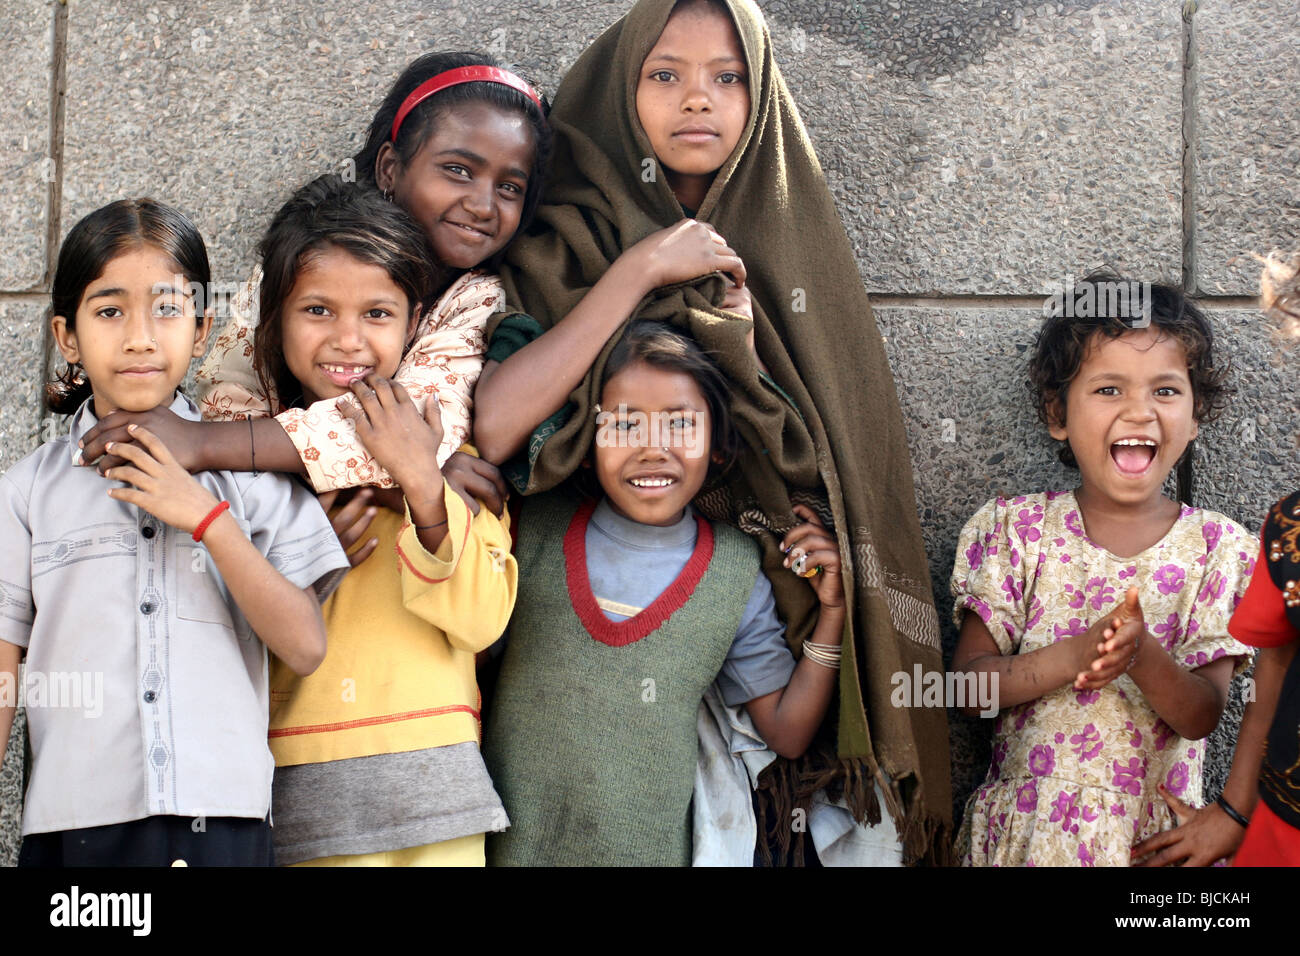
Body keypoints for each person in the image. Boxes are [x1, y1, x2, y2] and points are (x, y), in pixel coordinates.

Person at [474, 0, 948, 862]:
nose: (698, 99)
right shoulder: (564, 234)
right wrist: (645, 269)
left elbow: (831, 443)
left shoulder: (792, 241)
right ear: (622, 88)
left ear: (759, 95)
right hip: (578, 590)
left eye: (727, 77)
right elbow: (500, 425)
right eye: (666, 75)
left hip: (740, 610)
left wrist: (740, 345)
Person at [0, 199, 348, 866]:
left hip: (224, 823)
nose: (139, 337)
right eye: (109, 311)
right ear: (66, 336)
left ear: (201, 325)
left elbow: (304, 647)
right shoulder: (26, 496)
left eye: (166, 308)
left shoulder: (253, 482)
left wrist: (206, 519)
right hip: (76, 828)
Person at [76, 51, 551, 521]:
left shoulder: (476, 301)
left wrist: (202, 444)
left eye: (509, 187)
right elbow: (228, 401)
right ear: (389, 168)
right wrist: (391, 487)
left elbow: (421, 433)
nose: (484, 204)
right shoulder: (306, 255)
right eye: (459, 170)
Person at [212, 175, 516, 866]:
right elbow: (214, 639)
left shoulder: (451, 462)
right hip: (293, 806)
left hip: (436, 808)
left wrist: (422, 489)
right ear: (274, 322)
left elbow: (484, 618)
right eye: (317, 310)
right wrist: (297, 551)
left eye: (377, 314)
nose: (347, 340)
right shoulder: (246, 484)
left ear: (414, 325)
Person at [483, 320, 843, 866]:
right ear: (585, 444)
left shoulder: (732, 569)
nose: (653, 449)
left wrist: (833, 613)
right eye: (624, 424)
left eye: (680, 425)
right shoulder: (531, 530)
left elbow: (787, 734)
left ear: (719, 447)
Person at [950, 275, 1255, 866]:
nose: (1139, 410)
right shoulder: (1020, 532)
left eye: (1166, 391)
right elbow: (965, 691)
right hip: (1028, 840)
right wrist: (1073, 657)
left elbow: (1202, 715)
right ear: (1056, 413)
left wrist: (1140, 656)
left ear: (1195, 418)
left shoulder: (1217, 550)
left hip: (1145, 846)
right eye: (1109, 389)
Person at [1131, 251, 1300, 867]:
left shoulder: (1215, 547)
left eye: (1166, 390)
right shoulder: (1291, 530)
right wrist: (1233, 812)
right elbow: (1272, 670)